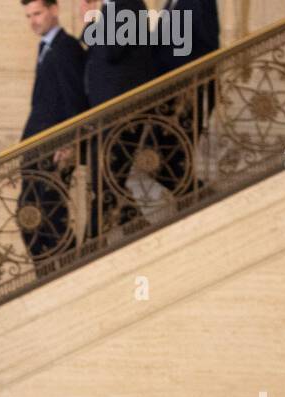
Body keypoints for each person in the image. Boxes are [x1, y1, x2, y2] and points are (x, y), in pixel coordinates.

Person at [18, 0, 88, 267]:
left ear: (54, 10)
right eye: (28, 16)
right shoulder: (46, 47)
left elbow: (74, 99)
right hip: (37, 149)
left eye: (37, 13)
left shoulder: (66, 48)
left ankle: (63, 272)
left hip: (53, 149)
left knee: (43, 215)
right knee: (36, 216)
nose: (33, 21)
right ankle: (51, 273)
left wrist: (70, 143)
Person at [80, 0, 158, 238]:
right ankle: (142, 229)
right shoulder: (111, 7)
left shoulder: (128, 4)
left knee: (105, 183)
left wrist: (93, 21)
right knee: (106, 182)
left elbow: (112, 49)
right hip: (108, 114)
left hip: (122, 113)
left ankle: (87, 248)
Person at [149, 0, 220, 205]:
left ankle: (203, 204)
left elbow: (208, 44)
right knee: (161, 162)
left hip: (187, 94)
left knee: (173, 159)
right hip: (167, 93)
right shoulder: (170, 2)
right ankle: (198, 201)